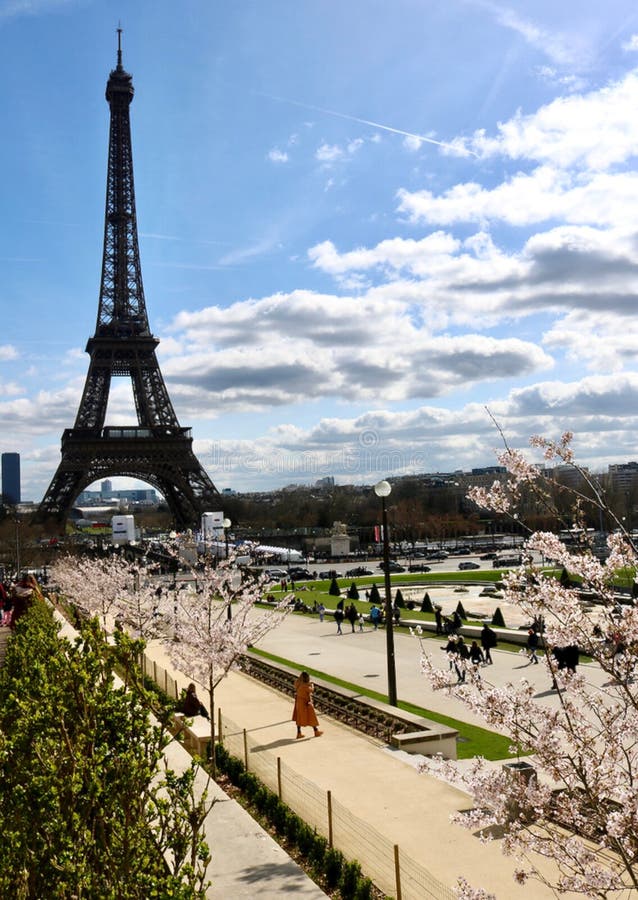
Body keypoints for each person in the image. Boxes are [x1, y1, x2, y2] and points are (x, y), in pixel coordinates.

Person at [292, 671, 323, 739]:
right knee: (311, 716)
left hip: (298, 702)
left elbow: (296, 684)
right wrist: (312, 685)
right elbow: (311, 690)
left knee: (299, 717)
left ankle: (299, 733)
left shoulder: (298, 682)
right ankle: (316, 731)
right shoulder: (305, 685)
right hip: (305, 703)